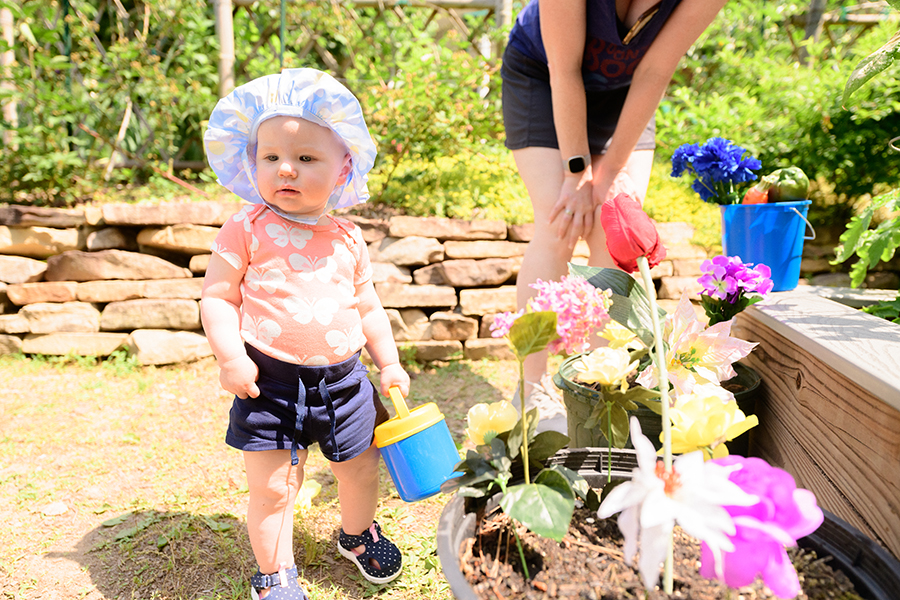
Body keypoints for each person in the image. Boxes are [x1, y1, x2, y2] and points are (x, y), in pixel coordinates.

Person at [202, 68, 410, 599]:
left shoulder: (348, 236)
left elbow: (368, 305)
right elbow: (218, 298)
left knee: (361, 468)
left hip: (344, 381)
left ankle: (358, 534)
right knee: (273, 488)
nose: (285, 169)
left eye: (306, 159)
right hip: (267, 382)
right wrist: (230, 356)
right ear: (253, 163)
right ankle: (275, 572)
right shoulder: (245, 227)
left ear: (343, 169)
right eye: (270, 157)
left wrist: (388, 362)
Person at [501, 0, 727, 432]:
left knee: (614, 228)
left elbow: (654, 72)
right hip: (544, 77)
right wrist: (578, 173)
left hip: (629, 92)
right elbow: (564, 70)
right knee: (559, 223)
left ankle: (604, 382)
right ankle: (531, 387)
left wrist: (605, 181)